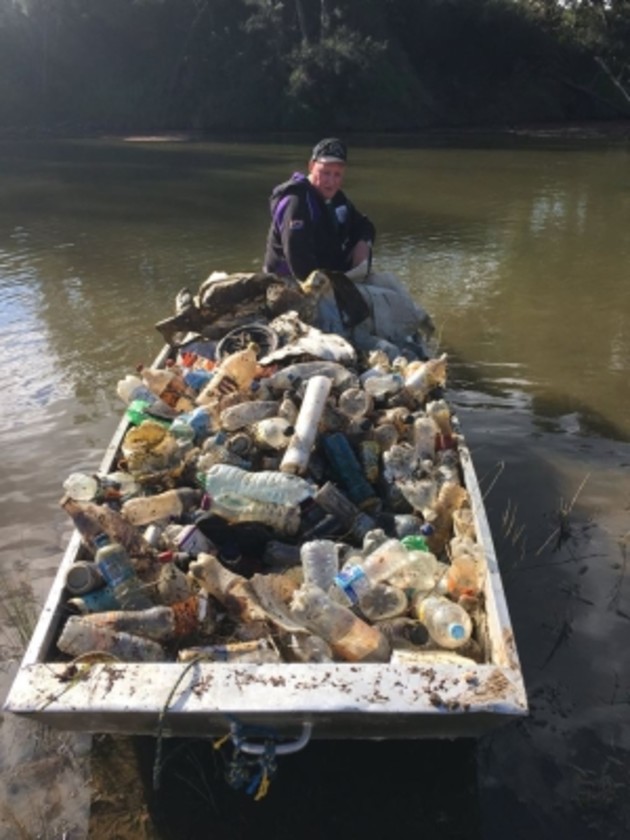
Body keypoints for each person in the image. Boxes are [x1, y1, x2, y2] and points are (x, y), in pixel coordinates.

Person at [263, 137, 375, 281]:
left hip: (327, 275)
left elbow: (365, 225)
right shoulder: (296, 201)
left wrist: (364, 243)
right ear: (311, 166)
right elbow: (299, 261)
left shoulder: (337, 198)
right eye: (326, 173)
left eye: (337, 174)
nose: (331, 181)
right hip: (290, 282)